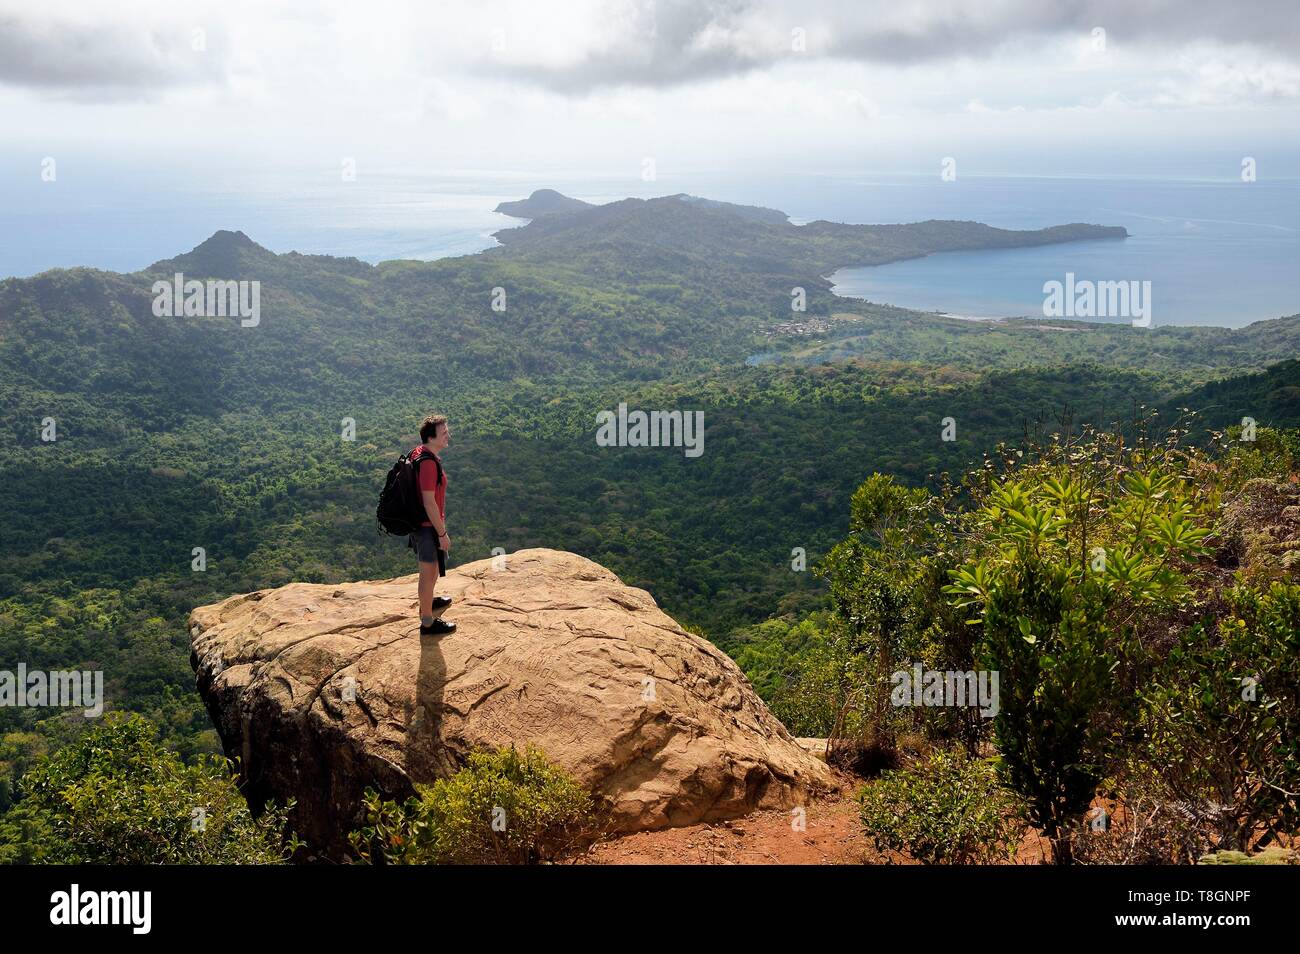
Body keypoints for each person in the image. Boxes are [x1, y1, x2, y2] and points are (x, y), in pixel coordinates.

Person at [409, 414, 455, 636]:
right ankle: (427, 622)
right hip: (428, 526)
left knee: (431, 572)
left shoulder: (419, 453)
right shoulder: (427, 462)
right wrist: (442, 533)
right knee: (428, 574)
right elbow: (429, 502)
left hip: (422, 525)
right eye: (444, 433)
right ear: (431, 437)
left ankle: (428, 604)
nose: (448, 435)